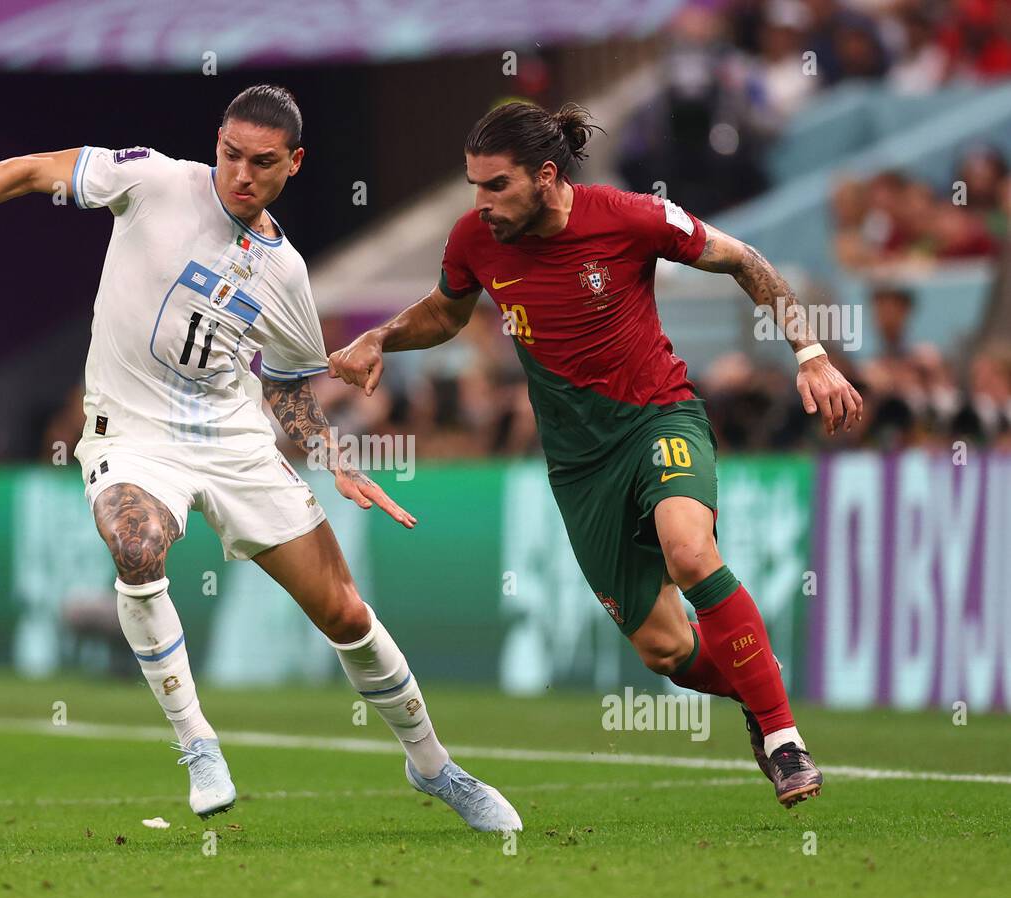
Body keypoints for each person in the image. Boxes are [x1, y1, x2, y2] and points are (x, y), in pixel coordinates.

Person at [0, 84, 521, 832]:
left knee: (343, 610)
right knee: (136, 544)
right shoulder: (151, 180)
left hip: (233, 438)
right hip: (134, 434)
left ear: (295, 163)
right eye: (231, 154)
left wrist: (332, 453)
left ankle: (435, 767)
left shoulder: (286, 275)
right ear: (217, 142)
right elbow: (32, 169)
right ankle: (198, 743)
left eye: (263, 162)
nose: (241, 174)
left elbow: (287, 380)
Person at [330, 101, 864, 808]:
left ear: (546, 176)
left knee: (690, 553)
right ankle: (757, 681)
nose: (481, 204)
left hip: (658, 419)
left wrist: (812, 352)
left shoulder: (630, 216)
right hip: (580, 467)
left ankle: (782, 739)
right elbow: (446, 311)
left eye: (496, 186)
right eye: (473, 187)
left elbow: (744, 259)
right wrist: (382, 337)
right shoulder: (475, 239)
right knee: (667, 651)